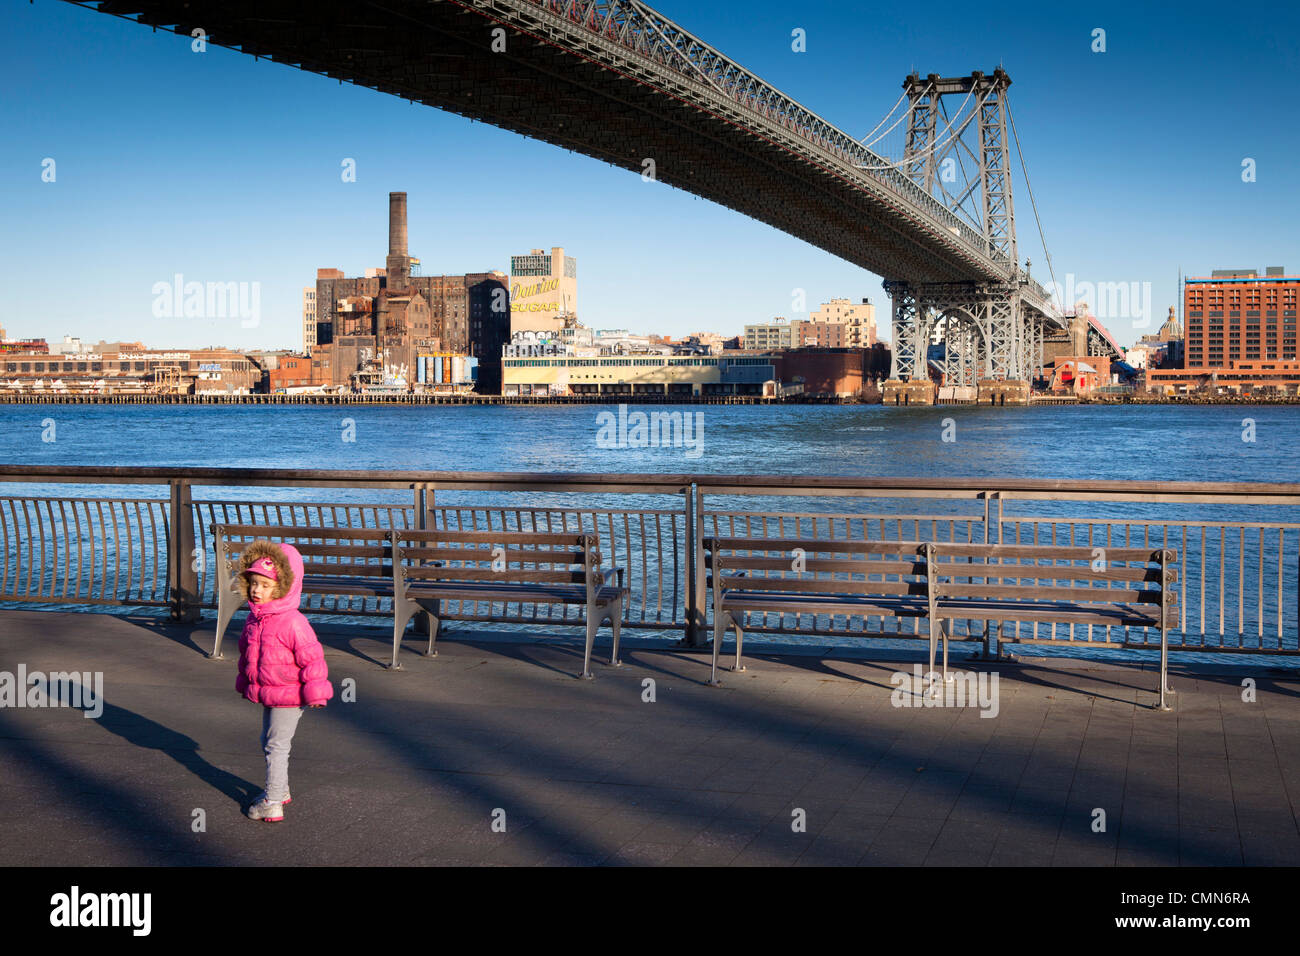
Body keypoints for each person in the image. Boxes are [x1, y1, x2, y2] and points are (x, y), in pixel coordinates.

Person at [233, 540, 333, 822]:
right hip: (271, 692)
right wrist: (245, 683)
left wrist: (315, 693)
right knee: (268, 740)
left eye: (265, 585)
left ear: (283, 586)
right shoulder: (255, 619)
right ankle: (282, 789)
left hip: (291, 694)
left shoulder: (292, 622)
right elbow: (247, 654)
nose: (256, 590)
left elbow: (312, 658)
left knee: (276, 745)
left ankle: (272, 801)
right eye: (253, 583)